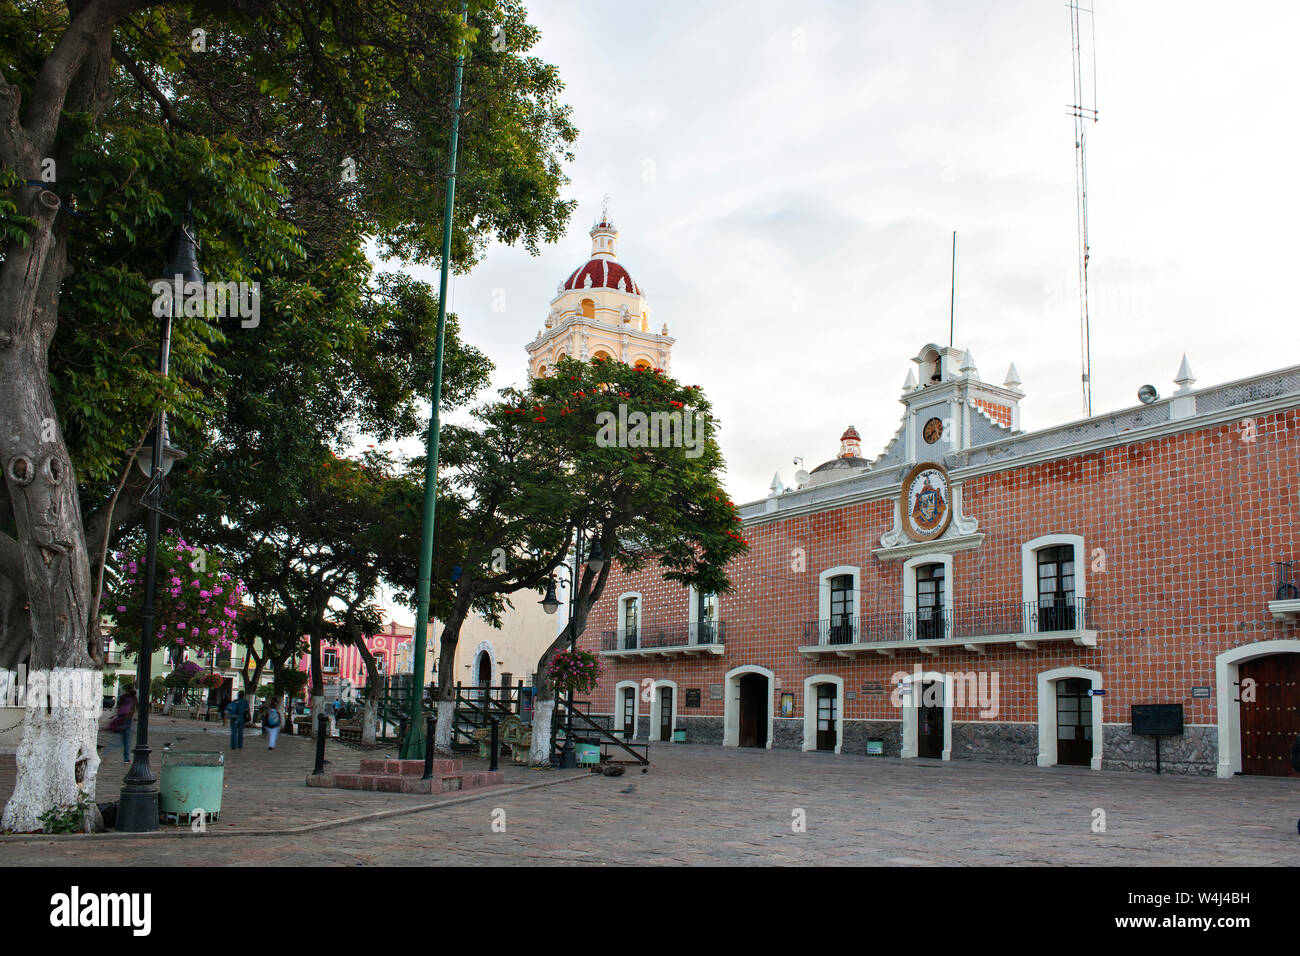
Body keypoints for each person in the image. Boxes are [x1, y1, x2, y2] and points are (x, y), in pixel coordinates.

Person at [107, 686, 137, 763]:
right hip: (127, 719)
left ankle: (109, 753)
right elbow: (134, 709)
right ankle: (126, 758)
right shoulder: (133, 699)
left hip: (121, 718)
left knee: (123, 739)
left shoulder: (123, 698)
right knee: (126, 740)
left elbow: (118, 706)